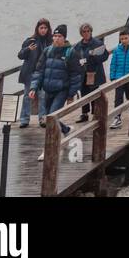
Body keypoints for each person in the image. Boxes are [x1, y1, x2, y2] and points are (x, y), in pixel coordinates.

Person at [28, 25, 82, 159]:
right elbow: (39, 71)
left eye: (59, 37)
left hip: (61, 90)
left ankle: (48, 149)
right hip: (47, 89)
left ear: (64, 38)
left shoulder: (70, 53)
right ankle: (66, 130)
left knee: (51, 118)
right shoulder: (47, 51)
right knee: (49, 118)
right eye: (55, 36)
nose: (56, 39)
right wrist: (33, 87)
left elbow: (76, 75)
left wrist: (71, 94)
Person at [16, 17, 52, 128]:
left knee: (42, 95)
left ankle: (42, 118)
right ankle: (24, 119)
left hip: (43, 73)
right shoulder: (30, 40)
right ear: (37, 28)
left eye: (45, 28)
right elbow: (20, 55)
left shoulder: (50, 41)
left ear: (48, 29)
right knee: (27, 96)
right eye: (41, 28)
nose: (43, 30)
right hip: (30, 72)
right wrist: (28, 49)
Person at [71, 22, 108, 123]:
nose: (86, 33)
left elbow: (105, 56)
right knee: (84, 93)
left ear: (91, 32)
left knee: (94, 93)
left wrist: (94, 56)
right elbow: (74, 59)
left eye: (88, 31)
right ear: (81, 33)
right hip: (83, 73)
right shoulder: (77, 46)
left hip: (94, 72)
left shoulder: (98, 43)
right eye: (84, 31)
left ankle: (95, 113)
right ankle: (84, 114)